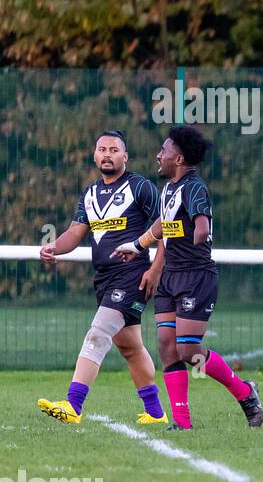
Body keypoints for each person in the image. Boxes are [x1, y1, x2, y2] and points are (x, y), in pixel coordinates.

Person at [114, 126, 263, 431]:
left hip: (196, 277)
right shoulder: (169, 188)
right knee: (167, 347)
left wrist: (200, 233)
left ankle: (246, 393)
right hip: (170, 277)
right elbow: (162, 224)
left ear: (178, 158)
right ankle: (182, 422)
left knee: (189, 350)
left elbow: (202, 224)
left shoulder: (195, 188)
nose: (158, 155)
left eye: (164, 151)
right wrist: (137, 245)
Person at [37, 130, 168, 425]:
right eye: (102, 149)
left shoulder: (141, 187)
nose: (107, 154)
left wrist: (156, 268)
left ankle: (73, 404)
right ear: (95, 156)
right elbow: (75, 233)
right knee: (130, 346)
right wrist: (53, 247)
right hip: (104, 278)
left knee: (98, 333)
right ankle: (156, 413)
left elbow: (167, 224)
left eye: (114, 149)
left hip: (132, 275)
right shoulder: (90, 193)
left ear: (125, 157)